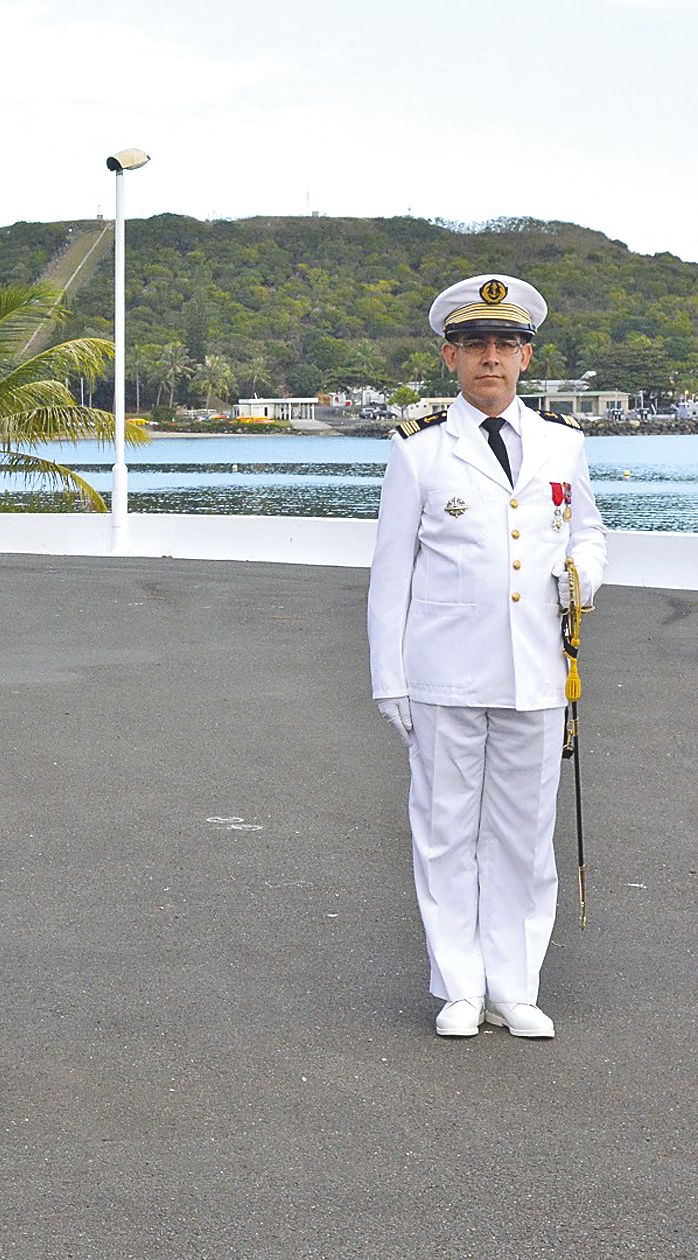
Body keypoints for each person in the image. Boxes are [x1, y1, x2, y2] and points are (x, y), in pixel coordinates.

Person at [368, 274, 607, 1040]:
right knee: (444, 831)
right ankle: (460, 987)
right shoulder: (420, 452)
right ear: (450, 357)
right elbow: (389, 574)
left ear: (527, 357)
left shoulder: (566, 444)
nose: (491, 360)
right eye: (475, 346)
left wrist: (582, 574)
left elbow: (588, 533)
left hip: (537, 669)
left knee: (524, 836)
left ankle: (515, 984)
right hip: (444, 671)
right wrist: (389, 680)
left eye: (505, 345)